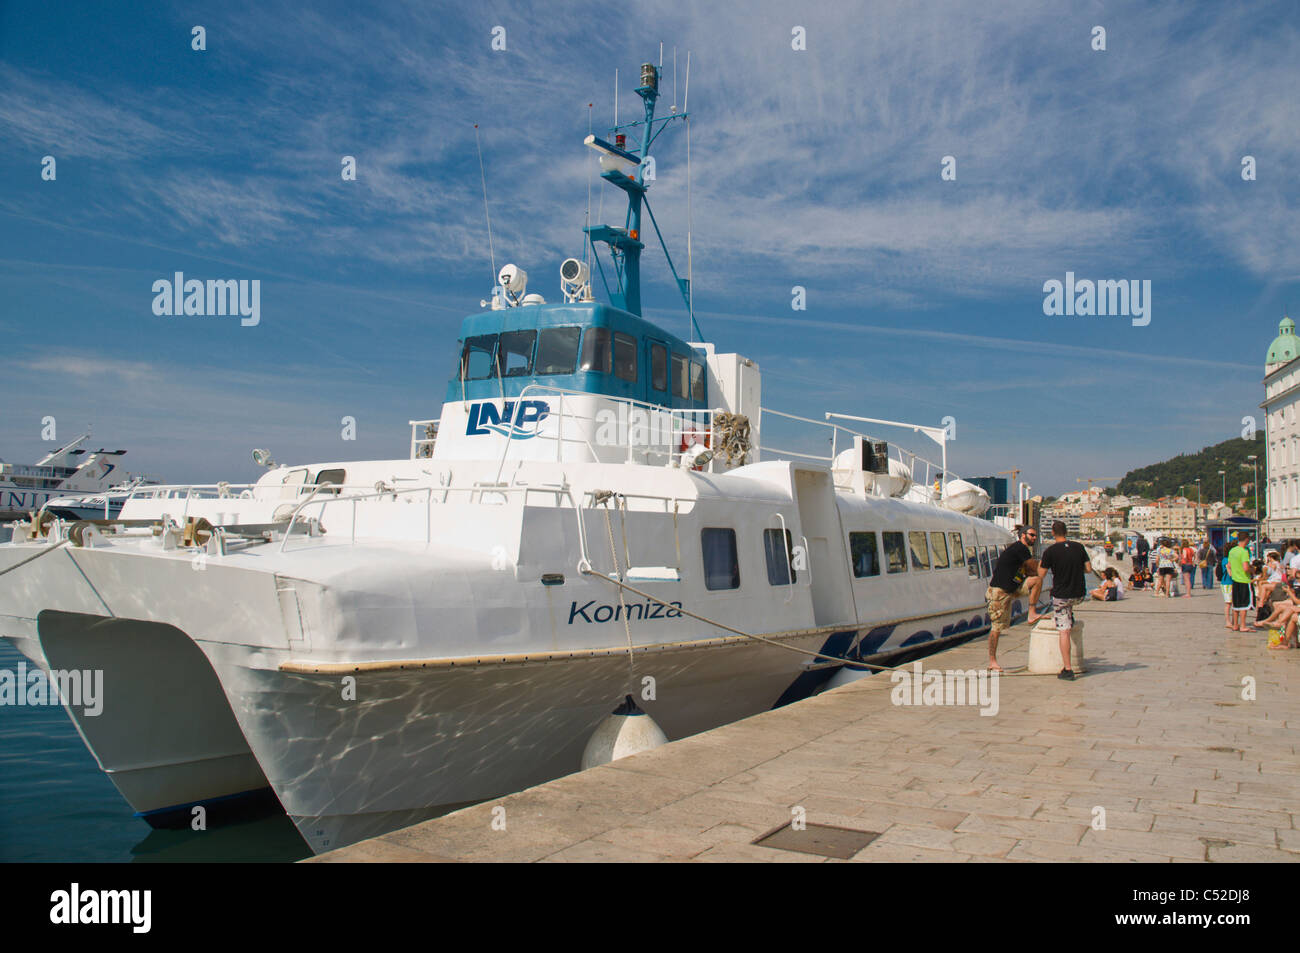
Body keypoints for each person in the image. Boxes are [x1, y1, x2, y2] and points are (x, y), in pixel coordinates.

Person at [1036, 521, 1096, 680]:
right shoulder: (1079, 547)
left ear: (1053, 533)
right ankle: (1070, 616)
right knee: (1069, 608)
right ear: (1066, 532)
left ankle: (1068, 669)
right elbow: (1088, 569)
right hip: (1079, 594)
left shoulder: (1050, 551)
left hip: (1062, 596)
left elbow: (1041, 574)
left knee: (1064, 632)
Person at [984, 525, 1045, 672]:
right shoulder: (1020, 548)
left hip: (1012, 589)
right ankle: (992, 661)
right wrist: (1049, 562)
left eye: (1035, 535)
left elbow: (1031, 571)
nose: (1034, 538)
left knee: (1037, 581)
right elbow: (1034, 567)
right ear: (1023, 535)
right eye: (1031, 535)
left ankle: (1031, 612)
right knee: (996, 627)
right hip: (999, 593)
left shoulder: (1021, 550)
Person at [1228, 533, 1254, 632]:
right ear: (1247, 540)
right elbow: (1246, 568)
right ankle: (1243, 625)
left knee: (1236, 604)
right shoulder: (1243, 552)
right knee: (1244, 604)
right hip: (1244, 580)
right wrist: (1253, 570)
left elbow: (1229, 565)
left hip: (1235, 580)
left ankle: (1235, 624)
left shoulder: (1232, 551)